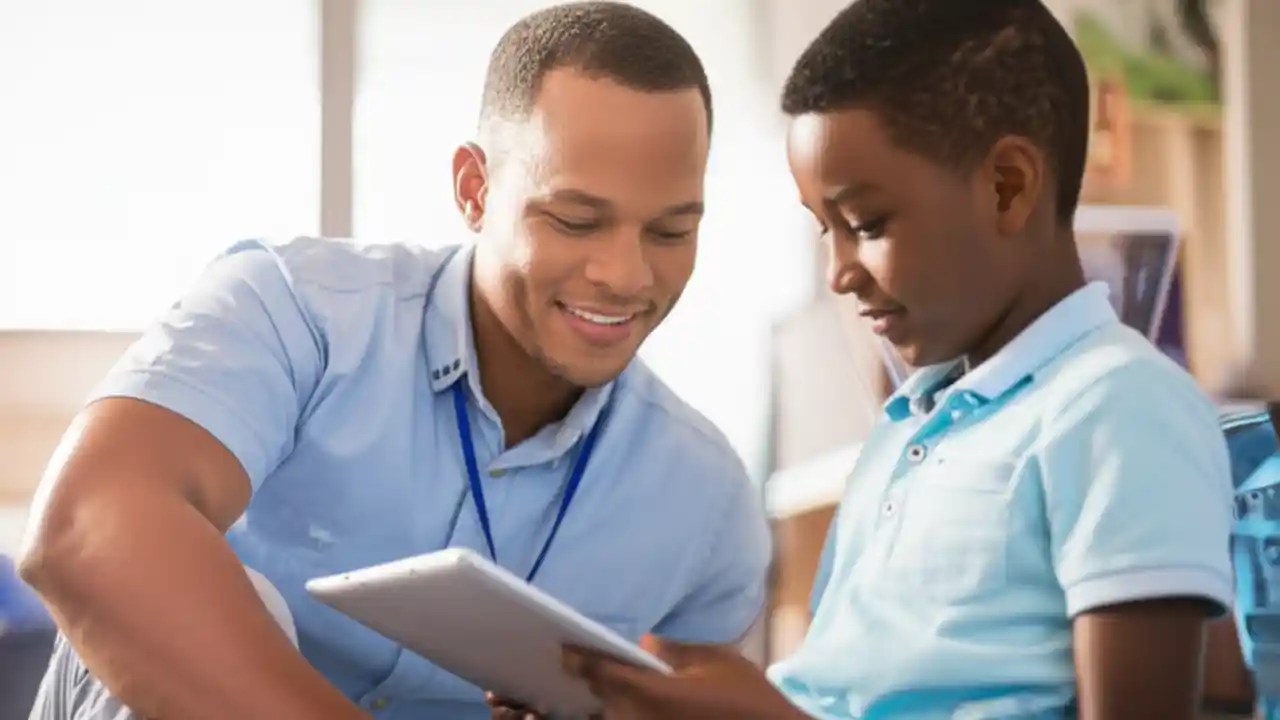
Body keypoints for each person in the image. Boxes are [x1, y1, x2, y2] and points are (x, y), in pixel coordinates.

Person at [18, 3, 770, 718]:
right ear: (475, 191)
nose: (627, 275)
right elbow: (83, 532)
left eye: (670, 233)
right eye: (576, 220)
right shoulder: (296, 311)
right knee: (179, 595)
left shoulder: (708, 501)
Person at [560, 1, 1234, 718]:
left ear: (1008, 187)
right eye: (825, 231)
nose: (837, 274)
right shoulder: (908, 424)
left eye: (866, 225)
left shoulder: (1117, 406)